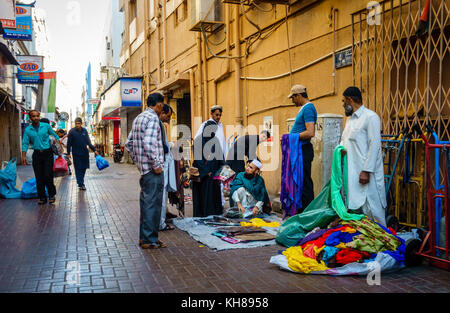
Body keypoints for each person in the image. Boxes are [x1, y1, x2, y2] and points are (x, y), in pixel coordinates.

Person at [340, 86, 387, 226]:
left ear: (350, 100)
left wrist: (366, 171)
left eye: (344, 101)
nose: (343, 105)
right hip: (352, 173)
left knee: (373, 209)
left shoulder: (370, 117)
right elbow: (344, 141)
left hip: (367, 174)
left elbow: (375, 146)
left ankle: (383, 238)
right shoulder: (350, 121)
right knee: (357, 210)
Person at [125, 93, 167, 250]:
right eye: (162, 104)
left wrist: (138, 161)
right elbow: (149, 144)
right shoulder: (153, 119)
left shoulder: (139, 118)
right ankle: (150, 239)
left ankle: (147, 238)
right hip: (152, 170)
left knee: (146, 204)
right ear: (158, 105)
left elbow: (129, 143)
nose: (162, 107)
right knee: (153, 204)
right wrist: (156, 164)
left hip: (144, 170)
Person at [192, 106, 226, 217]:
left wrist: (223, 168)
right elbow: (198, 159)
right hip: (204, 175)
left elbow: (220, 156)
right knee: (204, 197)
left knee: (214, 196)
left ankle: (213, 214)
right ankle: (204, 215)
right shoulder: (199, 141)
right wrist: (206, 171)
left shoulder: (214, 140)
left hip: (214, 173)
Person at [288, 84, 317, 212]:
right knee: (300, 182)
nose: (292, 101)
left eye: (293, 98)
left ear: (298, 95)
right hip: (299, 151)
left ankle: (307, 212)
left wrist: (290, 137)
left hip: (303, 151)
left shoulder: (308, 108)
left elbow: (310, 132)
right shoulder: (304, 109)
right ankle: (302, 211)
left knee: (305, 183)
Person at [21, 110, 59, 205]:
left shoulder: (46, 126)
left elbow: (54, 135)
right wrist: (23, 156)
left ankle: (51, 195)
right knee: (39, 177)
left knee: (48, 175)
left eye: (37, 116)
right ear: (30, 118)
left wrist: (59, 143)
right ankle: (42, 197)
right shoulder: (28, 130)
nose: (36, 118)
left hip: (47, 154)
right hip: (37, 154)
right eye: (33, 116)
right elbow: (25, 143)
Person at [66, 118, 99, 191]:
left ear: (81, 123)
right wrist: (68, 153)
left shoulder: (85, 131)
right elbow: (68, 144)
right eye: (76, 123)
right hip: (76, 153)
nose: (77, 125)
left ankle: (80, 182)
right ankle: (81, 183)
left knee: (84, 168)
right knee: (78, 168)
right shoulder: (71, 131)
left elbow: (88, 142)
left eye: (78, 123)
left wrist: (94, 150)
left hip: (84, 153)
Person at [158, 104, 177, 231]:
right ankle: (160, 223)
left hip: (159, 164)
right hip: (158, 165)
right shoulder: (156, 124)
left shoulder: (160, 125)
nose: (169, 119)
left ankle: (161, 221)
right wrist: (168, 146)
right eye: (168, 116)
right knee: (160, 196)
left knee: (160, 195)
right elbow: (160, 145)